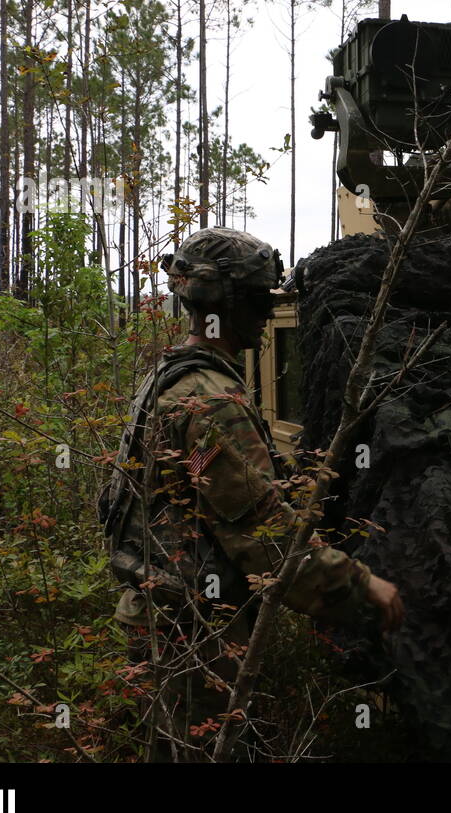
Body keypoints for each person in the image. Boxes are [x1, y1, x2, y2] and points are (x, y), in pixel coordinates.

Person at [100, 227, 403, 761]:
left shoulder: (170, 378)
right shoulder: (210, 400)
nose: (267, 316)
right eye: (260, 300)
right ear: (225, 301)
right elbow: (264, 536)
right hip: (194, 633)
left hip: (160, 613)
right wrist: (363, 588)